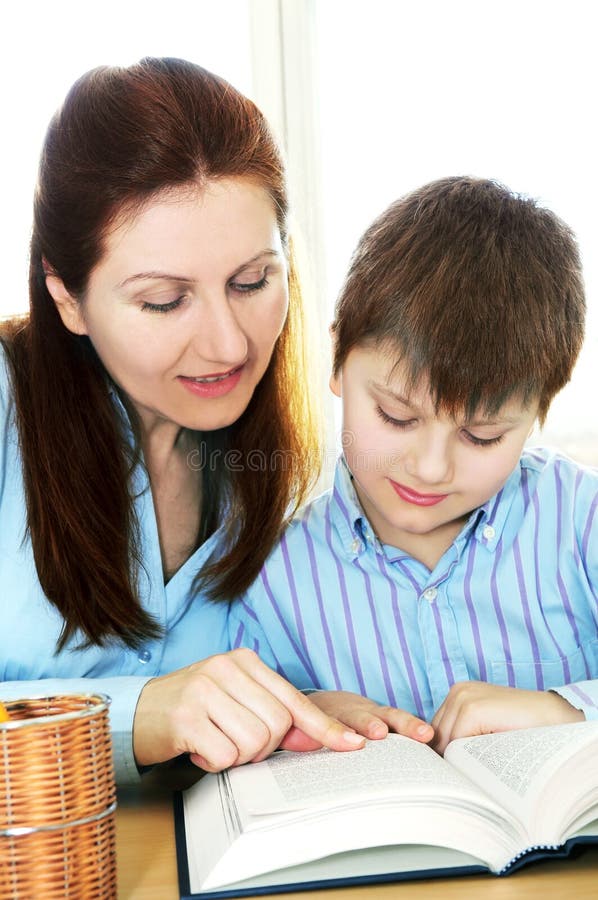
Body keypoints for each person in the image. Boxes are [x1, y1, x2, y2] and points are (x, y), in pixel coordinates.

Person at [0, 57, 431, 783]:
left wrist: (293, 707)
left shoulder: (298, 462)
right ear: (67, 298)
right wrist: (145, 713)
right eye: (166, 301)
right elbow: (164, 711)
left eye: (253, 281)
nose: (229, 345)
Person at [228, 175, 598, 753]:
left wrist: (562, 710)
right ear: (337, 360)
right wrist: (304, 714)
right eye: (397, 416)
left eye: (481, 436)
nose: (430, 469)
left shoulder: (580, 521)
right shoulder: (273, 582)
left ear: (538, 414)